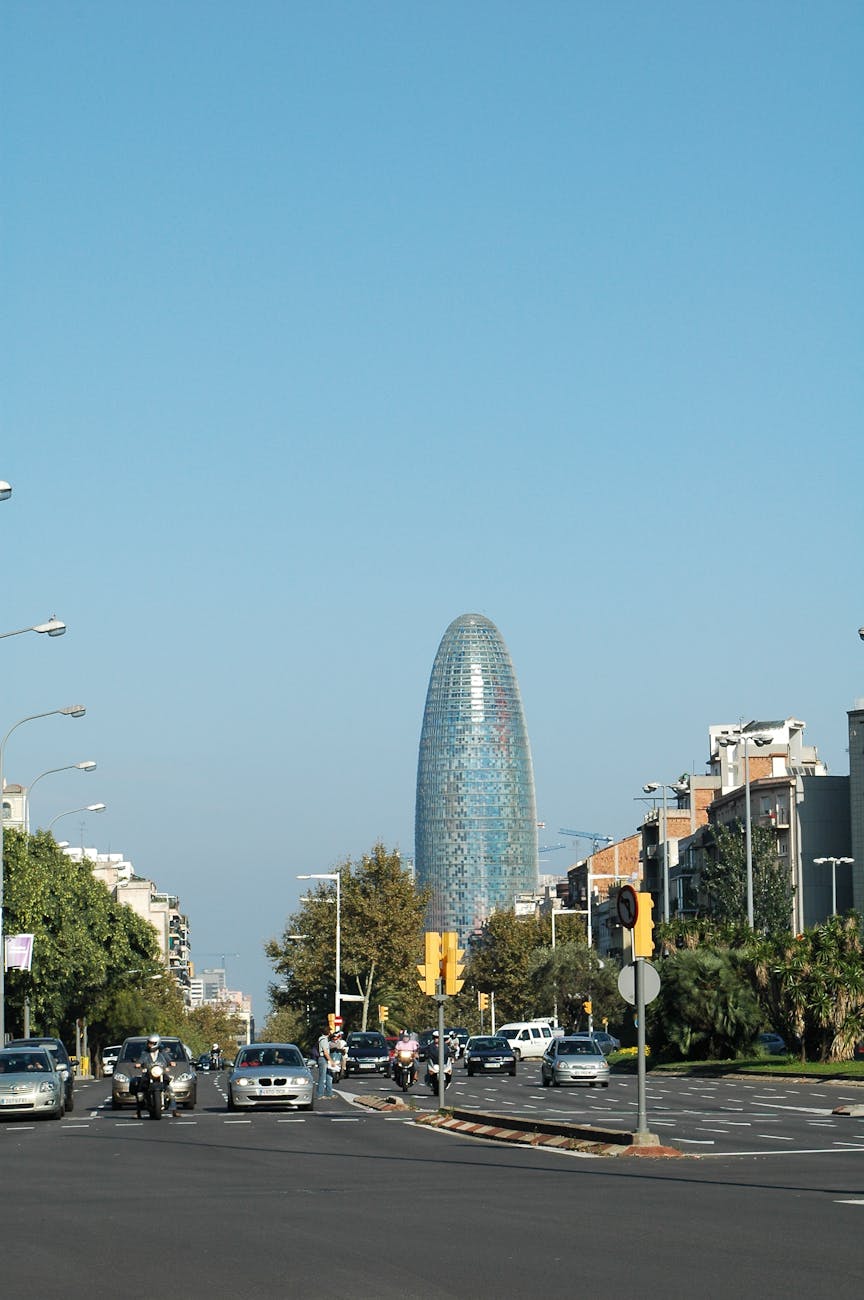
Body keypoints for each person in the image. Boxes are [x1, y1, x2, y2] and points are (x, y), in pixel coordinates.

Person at [136, 1034, 177, 1118]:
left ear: (157, 1043)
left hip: (160, 1072)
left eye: (152, 1043)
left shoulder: (162, 1052)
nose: (150, 1045)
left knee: (170, 1088)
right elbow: (141, 1060)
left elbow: (168, 1059)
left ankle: (174, 1110)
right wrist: (138, 1063)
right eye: (149, 1043)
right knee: (140, 1089)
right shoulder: (145, 1053)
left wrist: (171, 1062)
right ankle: (138, 1112)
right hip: (149, 1073)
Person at [316, 1027, 334, 1098]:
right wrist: (331, 1061)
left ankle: (329, 1093)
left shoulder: (324, 1039)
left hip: (325, 1059)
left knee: (328, 1076)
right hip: (323, 1059)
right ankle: (320, 1094)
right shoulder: (323, 1040)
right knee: (322, 1078)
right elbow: (325, 1052)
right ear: (328, 1032)